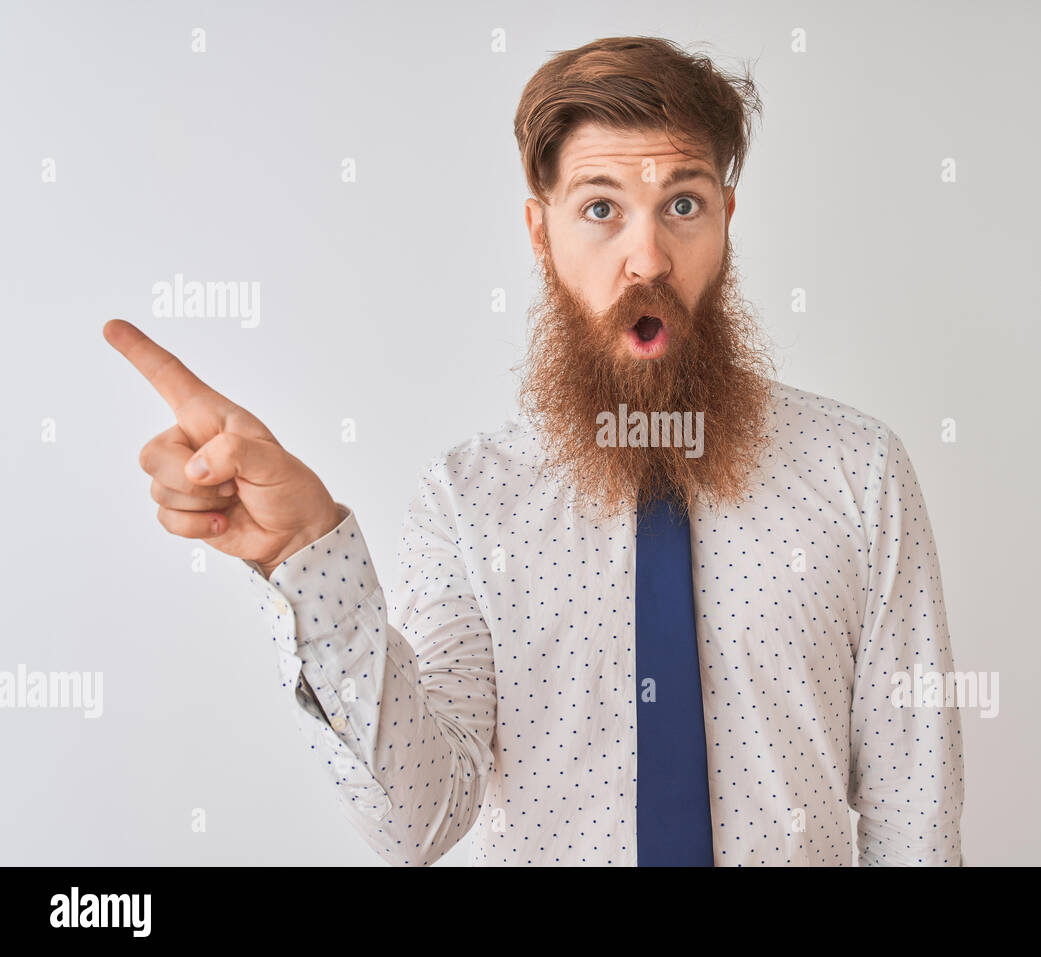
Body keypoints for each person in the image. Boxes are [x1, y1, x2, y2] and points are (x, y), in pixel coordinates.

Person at [104, 35, 965, 866]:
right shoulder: (468, 498)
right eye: (601, 208)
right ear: (540, 231)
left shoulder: (859, 471)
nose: (647, 257)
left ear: (726, 222)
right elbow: (420, 819)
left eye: (683, 205)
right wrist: (305, 552)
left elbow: (913, 812)